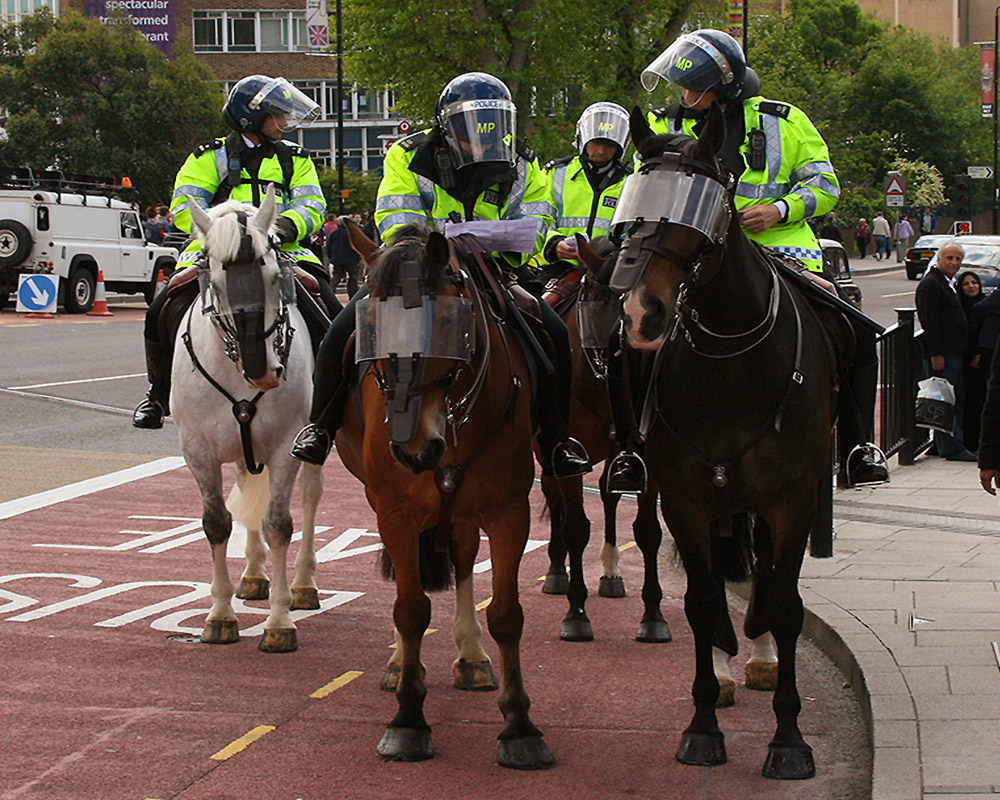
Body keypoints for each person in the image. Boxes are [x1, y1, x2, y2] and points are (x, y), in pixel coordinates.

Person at [614, 28, 887, 491]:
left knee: (852, 326)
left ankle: (857, 447)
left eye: (692, 86)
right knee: (626, 331)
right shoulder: (669, 126)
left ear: (721, 87)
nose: (683, 95)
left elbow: (824, 186)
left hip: (781, 249)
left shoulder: (785, 121)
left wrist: (779, 209)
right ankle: (631, 449)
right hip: (694, 255)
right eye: (682, 87)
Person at [290, 71, 591, 479]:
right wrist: (431, 246)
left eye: (493, 128)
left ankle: (556, 441)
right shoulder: (407, 154)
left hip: (491, 271)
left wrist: (513, 241)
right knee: (341, 333)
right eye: (473, 131)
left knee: (553, 332)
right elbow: (396, 218)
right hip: (419, 270)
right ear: (447, 128)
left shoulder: (522, 160)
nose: (484, 140)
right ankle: (320, 428)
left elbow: (534, 222)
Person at [132, 74, 335, 429]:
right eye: (278, 116)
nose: (285, 123)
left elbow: (312, 207)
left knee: (330, 315)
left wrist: (277, 231)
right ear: (251, 117)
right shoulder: (209, 158)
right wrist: (225, 231)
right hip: (216, 252)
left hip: (284, 252)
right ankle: (157, 394)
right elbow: (183, 206)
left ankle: (331, 401)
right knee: (161, 310)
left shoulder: (296, 160)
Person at [534, 101, 631, 288]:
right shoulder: (556, 173)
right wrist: (554, 244)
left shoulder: (631, 181)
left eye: (609, 145)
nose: (601, 151)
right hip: (559, 269)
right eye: (596, 143)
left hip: (609, 272)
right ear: (583, 140)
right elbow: (539, 218)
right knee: (536, 313)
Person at [915, 242, 977, 461]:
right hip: (943, 355)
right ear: (939, 259)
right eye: (949, 258)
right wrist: (936, 354)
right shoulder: (931, 285)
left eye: (958, 259)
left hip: (953, 352)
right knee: (944, 402)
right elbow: (929, 321)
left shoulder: (947, 283)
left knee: (952, 399)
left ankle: (948, 442)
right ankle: (950, 447)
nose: (954, 263)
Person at [325, 213, 361, 297]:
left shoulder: (334, 233)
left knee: (337, 276)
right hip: (352, 258)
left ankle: (331, 292)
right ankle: (352, 295)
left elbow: (329, 246)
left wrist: (330, 256)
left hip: (338, 259)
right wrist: (358, 256)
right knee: (353, 278)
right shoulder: (352, 233)